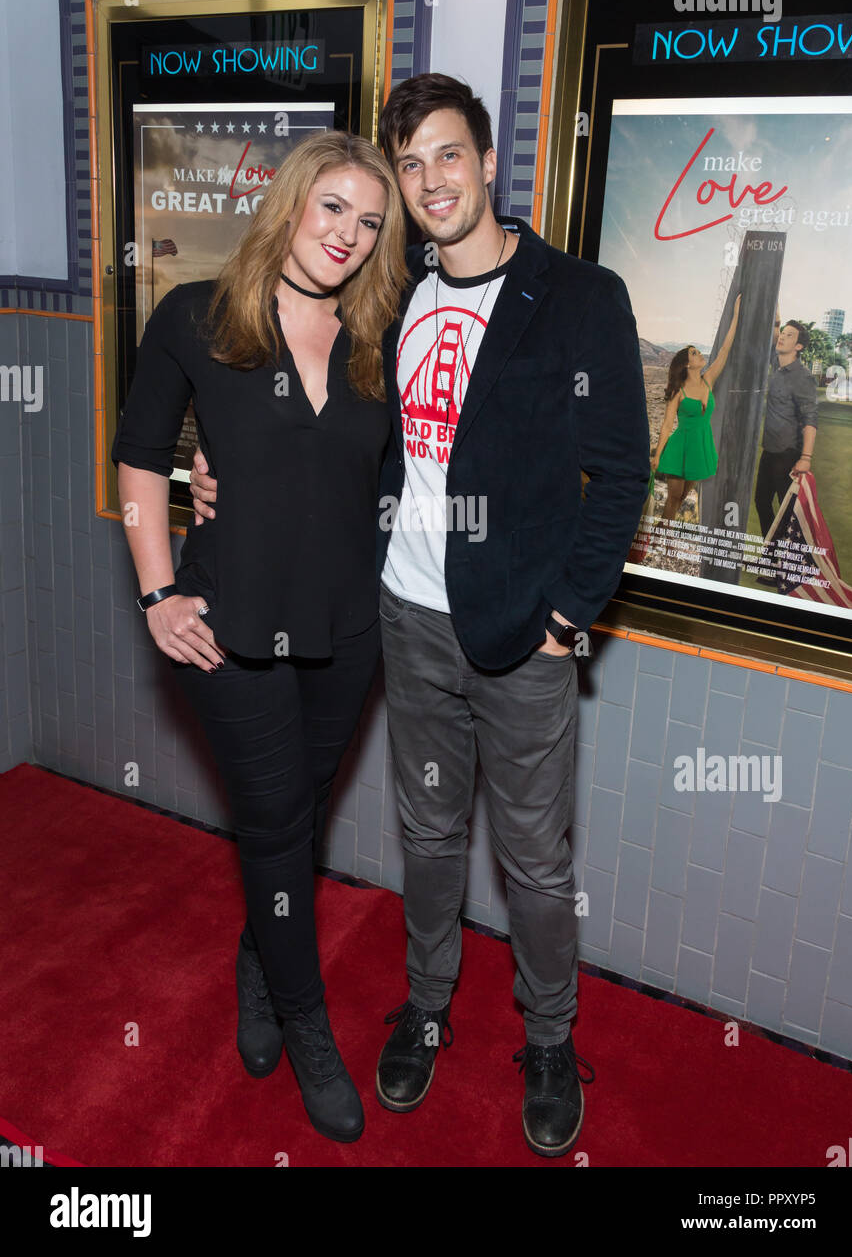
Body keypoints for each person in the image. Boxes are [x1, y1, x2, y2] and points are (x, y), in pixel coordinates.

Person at [190, 73, 650, 1158]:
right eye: (410, 164)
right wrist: (213, 469)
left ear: (487, 162)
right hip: (403, 613)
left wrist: (563, 617)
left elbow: (620, 475)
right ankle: (428, 1007)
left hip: (521, 634)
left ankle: (545, 1039)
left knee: (535, 861)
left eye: (449, 154)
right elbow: (311, 424)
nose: (431, 179)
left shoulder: (578, 294)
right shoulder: (386, 295)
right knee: (429, 837)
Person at [111, 130, 407, 1144]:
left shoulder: (382, 333)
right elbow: (144, 457)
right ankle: (305, 1017)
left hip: (346, 628)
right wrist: (157, 597)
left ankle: (257, 954)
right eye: (333, 208)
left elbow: (390, 481)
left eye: (370, 222)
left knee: (293, 820)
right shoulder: (196, 315)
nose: (349, 235)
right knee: (278, 822)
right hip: (228, 626)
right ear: (288, 201)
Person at [650, 292, 742, 525]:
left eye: (697, 351)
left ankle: (663, 529)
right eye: (694, 353)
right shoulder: (678, 392)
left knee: (681, 498)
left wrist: (736, 316)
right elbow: (667, 424)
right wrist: (658, 455)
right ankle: (665, 540)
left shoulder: (708, 380)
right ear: (687, 363)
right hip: (681, 447)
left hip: (701, 447)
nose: (699, 354)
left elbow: (724, 351)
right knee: (673, 498)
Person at [754, 317, 817, 538]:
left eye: (790, 335)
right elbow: (775, 326)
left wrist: (806, 457)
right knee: (761, 503)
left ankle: (786, 565)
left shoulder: (803, 377)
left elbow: (811, 420)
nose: (782, 336)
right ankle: (770, 558)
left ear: (798, 347)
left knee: (786, 512)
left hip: (788, 454)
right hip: (769, 451)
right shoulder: (776, 363)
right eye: (783, 333)